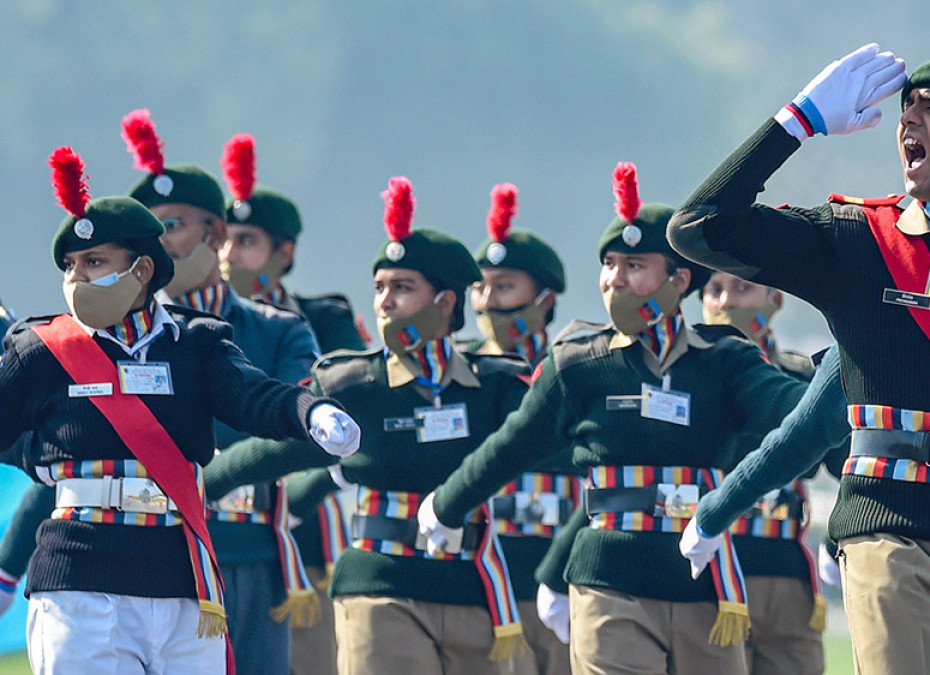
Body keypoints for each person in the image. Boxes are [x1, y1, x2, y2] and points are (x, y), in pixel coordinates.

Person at [666, 5, 930, 673]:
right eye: (906, 108)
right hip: (883, 528)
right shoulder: (854, 242)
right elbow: (698, 228)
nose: (908, 121)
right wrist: (797, 121)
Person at [418, 161, 819, 675]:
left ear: (678, 279)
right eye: (609, 264)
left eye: (634, 266)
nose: (615, 279)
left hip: (703, 581)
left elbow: (795, 412)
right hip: (608, 578)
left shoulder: (725, 361)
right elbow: (513, 445)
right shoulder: (580, 364)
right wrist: (447, 504)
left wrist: (843, 389)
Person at [0, 146, 357, 675]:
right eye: (70, 266)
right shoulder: (43, 350)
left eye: (95, 262)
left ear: (142, 268)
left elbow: (254, 396)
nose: (78, 279)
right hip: (81, 572)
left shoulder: (196, 344)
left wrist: (310, 411)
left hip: (183, 574)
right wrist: (47, 457)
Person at [197, 175, 535, 675]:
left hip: (471, 589)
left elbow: (546, 440)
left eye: (402, 288)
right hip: (379, 585)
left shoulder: (495, 387)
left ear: (445, 301)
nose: (384, 302)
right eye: (379, 288)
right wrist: (203, 483)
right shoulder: (355, 385)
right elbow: (277, 451)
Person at [216, 132, 365, 675]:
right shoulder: (198, 328)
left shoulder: (325, 321)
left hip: (304, 535)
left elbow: (350, 416)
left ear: (285, 252)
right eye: (224, 240)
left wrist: (310, 491)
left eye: (247, 241)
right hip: (218, 526)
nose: (230, 254)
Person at [700, 271, 837, 675]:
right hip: (710, 567)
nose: (726, 301)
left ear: (774, 300)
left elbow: (848, 466)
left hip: (785, 570)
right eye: (714, 290)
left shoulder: (800, 376)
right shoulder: (688, 376)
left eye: (743, 288)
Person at [469, 183, 576, 675]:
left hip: (556, 574)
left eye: (505, 287)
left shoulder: (573, 371)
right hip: (479, 578)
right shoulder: (458, 376)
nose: (488, 302)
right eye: (480, 288)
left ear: (545, 299)